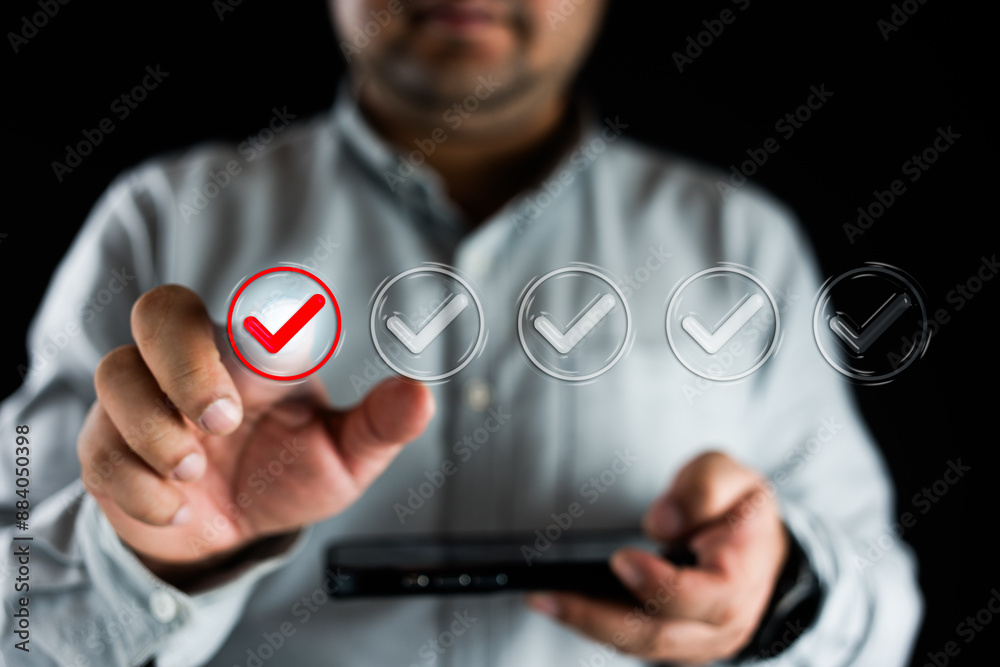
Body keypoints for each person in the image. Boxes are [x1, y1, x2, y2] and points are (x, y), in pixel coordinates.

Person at [1, 0, 921, 665]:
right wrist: (151, 560)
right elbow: (15, 632)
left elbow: (885, 612)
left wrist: (780, 599)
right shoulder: (161, 219)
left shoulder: (742, 242)